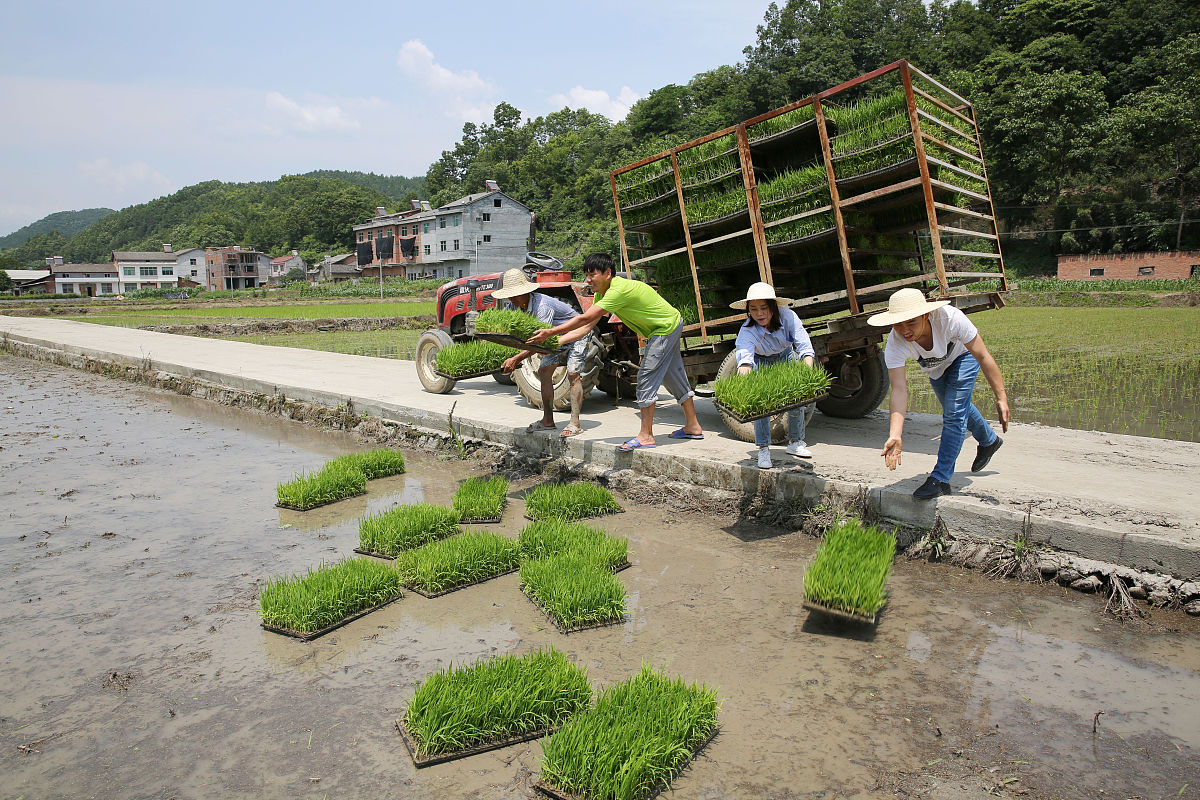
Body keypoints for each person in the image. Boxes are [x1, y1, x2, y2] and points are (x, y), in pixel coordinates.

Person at [526, 252, 703, 450]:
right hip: (670, 323)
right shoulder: (602, 294)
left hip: (664, 328)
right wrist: (554, 342)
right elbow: (587, 327)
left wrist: (550, 331)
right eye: (586, 274)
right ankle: (693, 426)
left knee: (645, 378)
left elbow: (584, 319)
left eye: (592, 274)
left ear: (608, 273)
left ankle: (646, 436)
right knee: (673, 375)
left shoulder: (618, 290)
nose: (588, 280)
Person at [868, 287, 1010, 499]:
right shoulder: (895, 342)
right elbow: (899, 389)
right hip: (936, 370)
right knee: (957, 407)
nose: (905, 330)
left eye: (911, 322)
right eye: (898, 324)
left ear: (925, 315)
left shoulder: (950, 319)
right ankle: (989, 440)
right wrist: (895, 434)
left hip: (964, 357)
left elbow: (983, 356)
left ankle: (941, 478)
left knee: (954, 415)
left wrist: (1001, 397)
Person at [492, 268, 590, 437]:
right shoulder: (513, 307)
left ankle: (575, 423)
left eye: (515, 295)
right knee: (544, 372)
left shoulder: (542, 306)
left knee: (573, 374)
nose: (511, 299)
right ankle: (548, 420)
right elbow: (503, 327)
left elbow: (540, 341)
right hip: (554, 338)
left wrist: (516, 358)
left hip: (576, 333)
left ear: (525, 292)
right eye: (509, 295)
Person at [730, 282, 817, 470]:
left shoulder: (788, 317)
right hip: (760, 360)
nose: (759, 313)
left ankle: (795, 442)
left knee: (796, 397)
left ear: (773, 306)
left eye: (764, 308)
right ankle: (763, 449)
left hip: (785, 356)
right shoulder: (747, 331)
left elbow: (805, 348)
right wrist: (744, 388)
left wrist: (806, 377)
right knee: (762, 405)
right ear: (748, 310)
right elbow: (745, 362)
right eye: (754, 309)